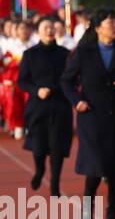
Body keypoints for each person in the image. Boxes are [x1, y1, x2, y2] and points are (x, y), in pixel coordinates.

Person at [60, 9, 115, 219]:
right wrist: (77, 101)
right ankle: (88, 205)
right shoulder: (84, 52)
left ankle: (111, 212)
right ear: (97, 28)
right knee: (96, 165)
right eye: (110, 22)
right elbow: (66, 81)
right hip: (92, 115)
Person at [17, 16, 73, 196]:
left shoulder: (65, 54)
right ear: (38, 31)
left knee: (57, 147)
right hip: (37, 106)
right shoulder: (30, 54)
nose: (49, 31)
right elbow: (22, 81)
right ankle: (39, 170)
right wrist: (36, 91)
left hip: (60, 106)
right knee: (39, 146)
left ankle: (55, 183)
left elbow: (71, 78)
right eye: (45, 28)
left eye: (51, 28)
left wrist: (58, 89)